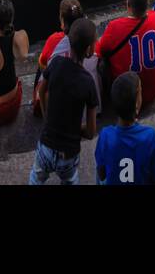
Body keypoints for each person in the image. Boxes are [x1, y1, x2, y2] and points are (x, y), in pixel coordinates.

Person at [30, 17, 98, 185]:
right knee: (70, 180)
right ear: (89, 50)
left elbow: (41, 90)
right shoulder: (89, 82)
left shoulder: (56, 64)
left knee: (36, 179)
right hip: (68, 154)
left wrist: (48, 116)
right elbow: (90, 132)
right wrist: (73, 129)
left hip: (45, 146)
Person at [97, 0, 155, 106]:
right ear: (147, 1)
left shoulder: (114, 27)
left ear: (128, 4)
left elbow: (99, 51)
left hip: (127, 98)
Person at [95, 72, 155, 185]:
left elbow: (102, 173)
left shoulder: (105, 135)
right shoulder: (149, 135)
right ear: (137, 104)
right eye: (141, 92)